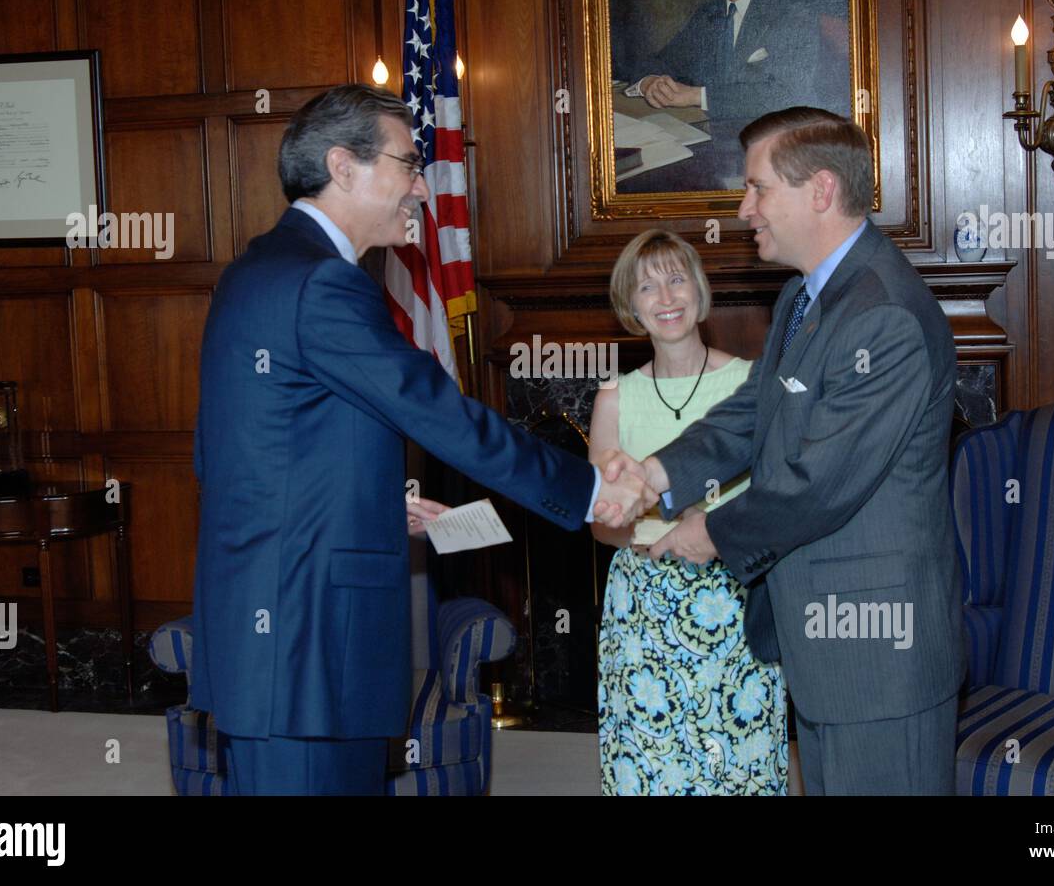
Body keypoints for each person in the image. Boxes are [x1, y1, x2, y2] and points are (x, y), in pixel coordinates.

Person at [191, 84, 653, 795]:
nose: (421, 189)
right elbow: (440, 413)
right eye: (409, 165)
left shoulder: (255, 269)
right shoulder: (323, 283)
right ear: (344, 167)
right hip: (304, 641)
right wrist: (589, 486)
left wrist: (371, 502)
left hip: (277, 625)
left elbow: (242, 453)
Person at [600, 107, 966, 795]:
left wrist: (707, 531)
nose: (744, 209)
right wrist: (655, 472)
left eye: (759, 189)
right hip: (826, 645)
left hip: (878, 655)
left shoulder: (881, 313)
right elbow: (752, 413)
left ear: (820, 191)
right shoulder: (807, 293)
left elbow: (817, 484)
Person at [589, 229, 787, 795]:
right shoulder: (614, 400)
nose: (665, 296)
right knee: (650, 764)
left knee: (737, 763)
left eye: (677, 279)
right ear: (632, 307)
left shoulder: (751, 383)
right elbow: (603, 529)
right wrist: (629, 511)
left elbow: (773, 499)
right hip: (643, 604)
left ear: (699, 293)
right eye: (647, 286)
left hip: (733, 595)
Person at [623, 0, 846, 121]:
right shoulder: (707, 15)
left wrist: (696, 96)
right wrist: (649, 82)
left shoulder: (793, 12)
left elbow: (786, 95)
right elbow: (661, 61)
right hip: (718, 142)